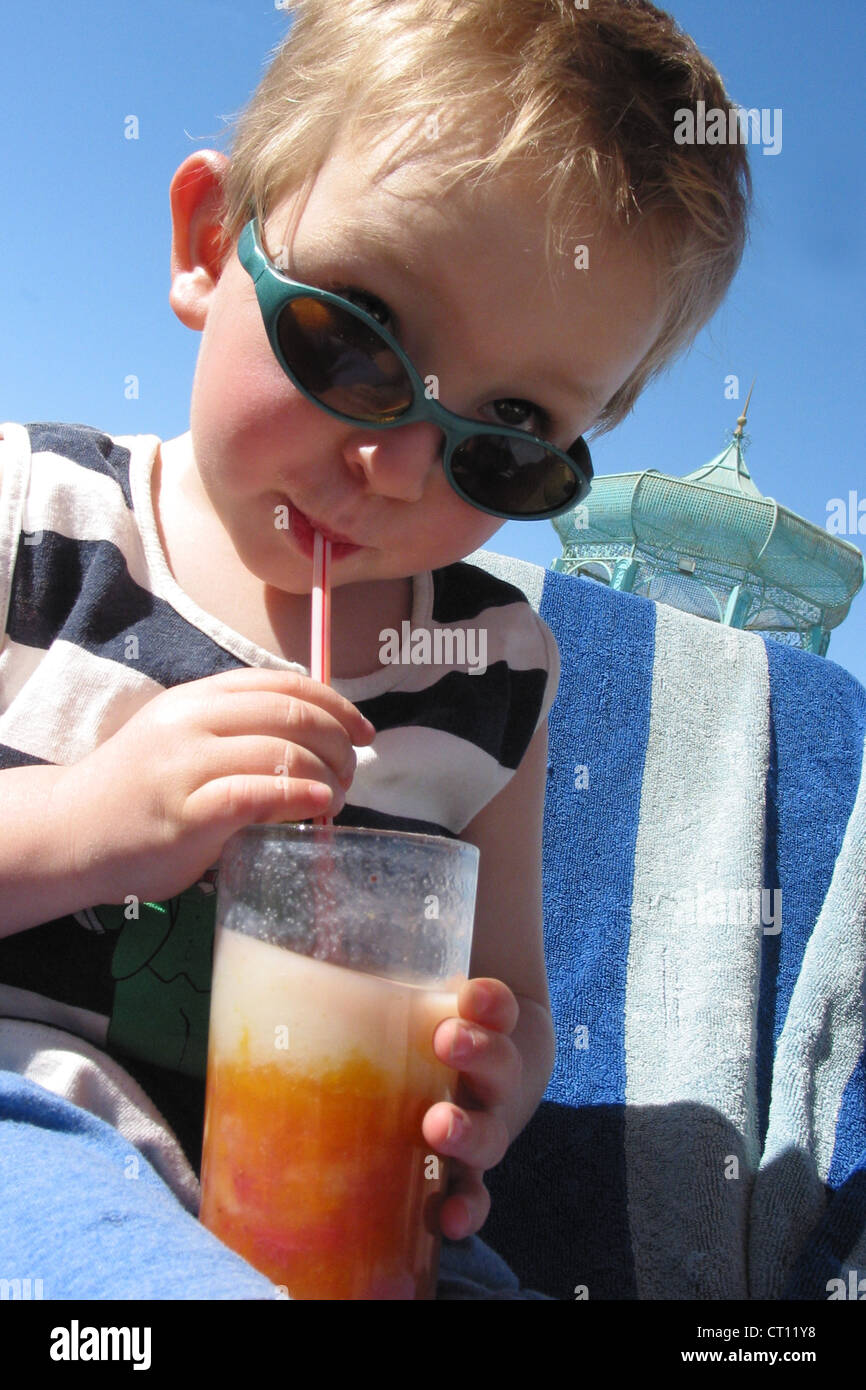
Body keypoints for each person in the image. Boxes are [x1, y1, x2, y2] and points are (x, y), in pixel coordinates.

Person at [0, 0, 750, 1299]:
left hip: (338, 1193)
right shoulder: (34, 519)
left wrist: (487, 1081)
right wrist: (92, 815)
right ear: (208, 242)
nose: (395, 465)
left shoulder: (493, 673)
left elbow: (506, 986)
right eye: (354, 331)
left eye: (508, 427)